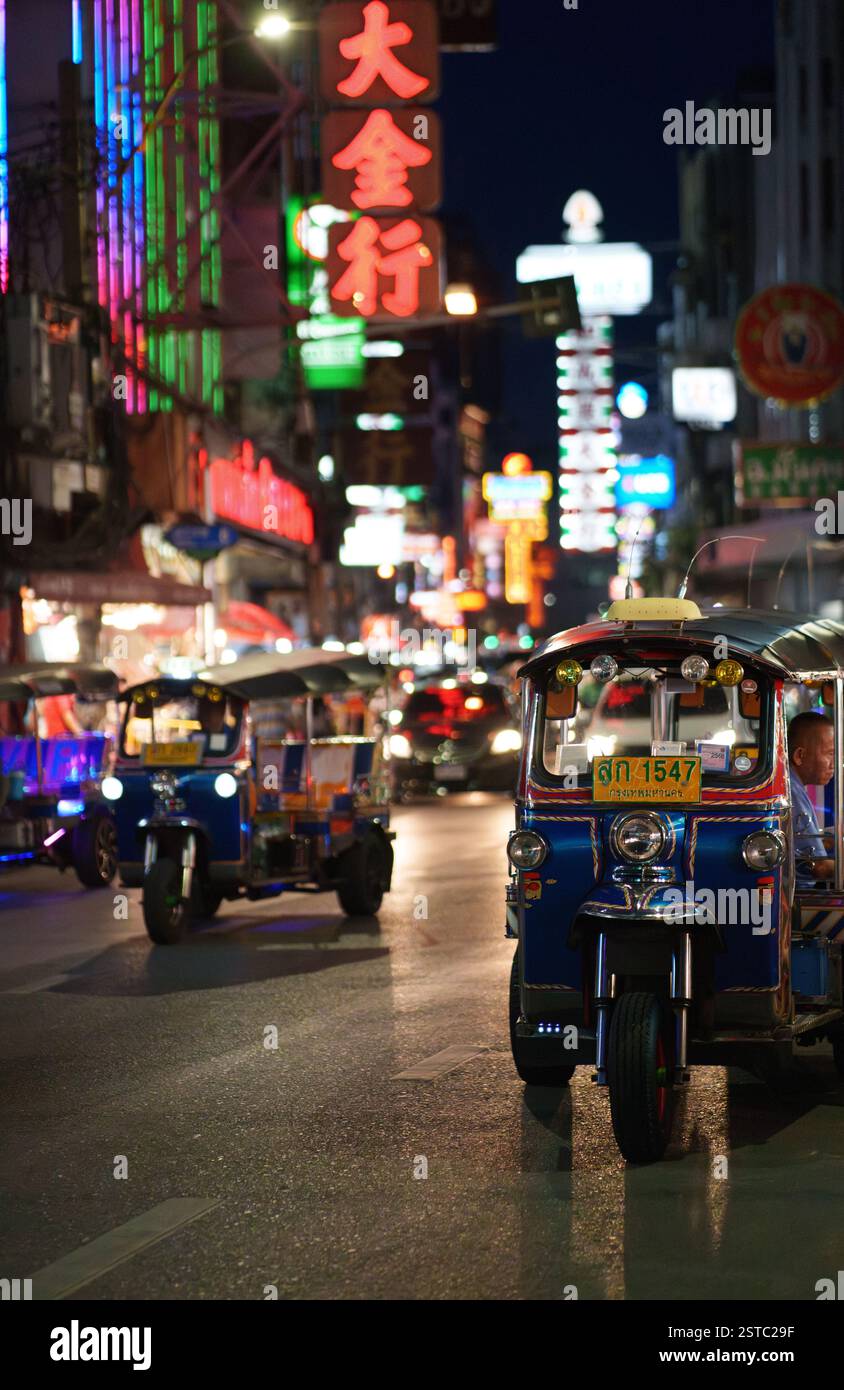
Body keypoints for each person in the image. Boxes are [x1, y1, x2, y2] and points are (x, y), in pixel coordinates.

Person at [788, 711, 835, 885]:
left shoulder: (793, 785)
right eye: (830, 754)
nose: (834, 763)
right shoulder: (791, 791)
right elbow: (819, 868)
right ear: (800, 756)